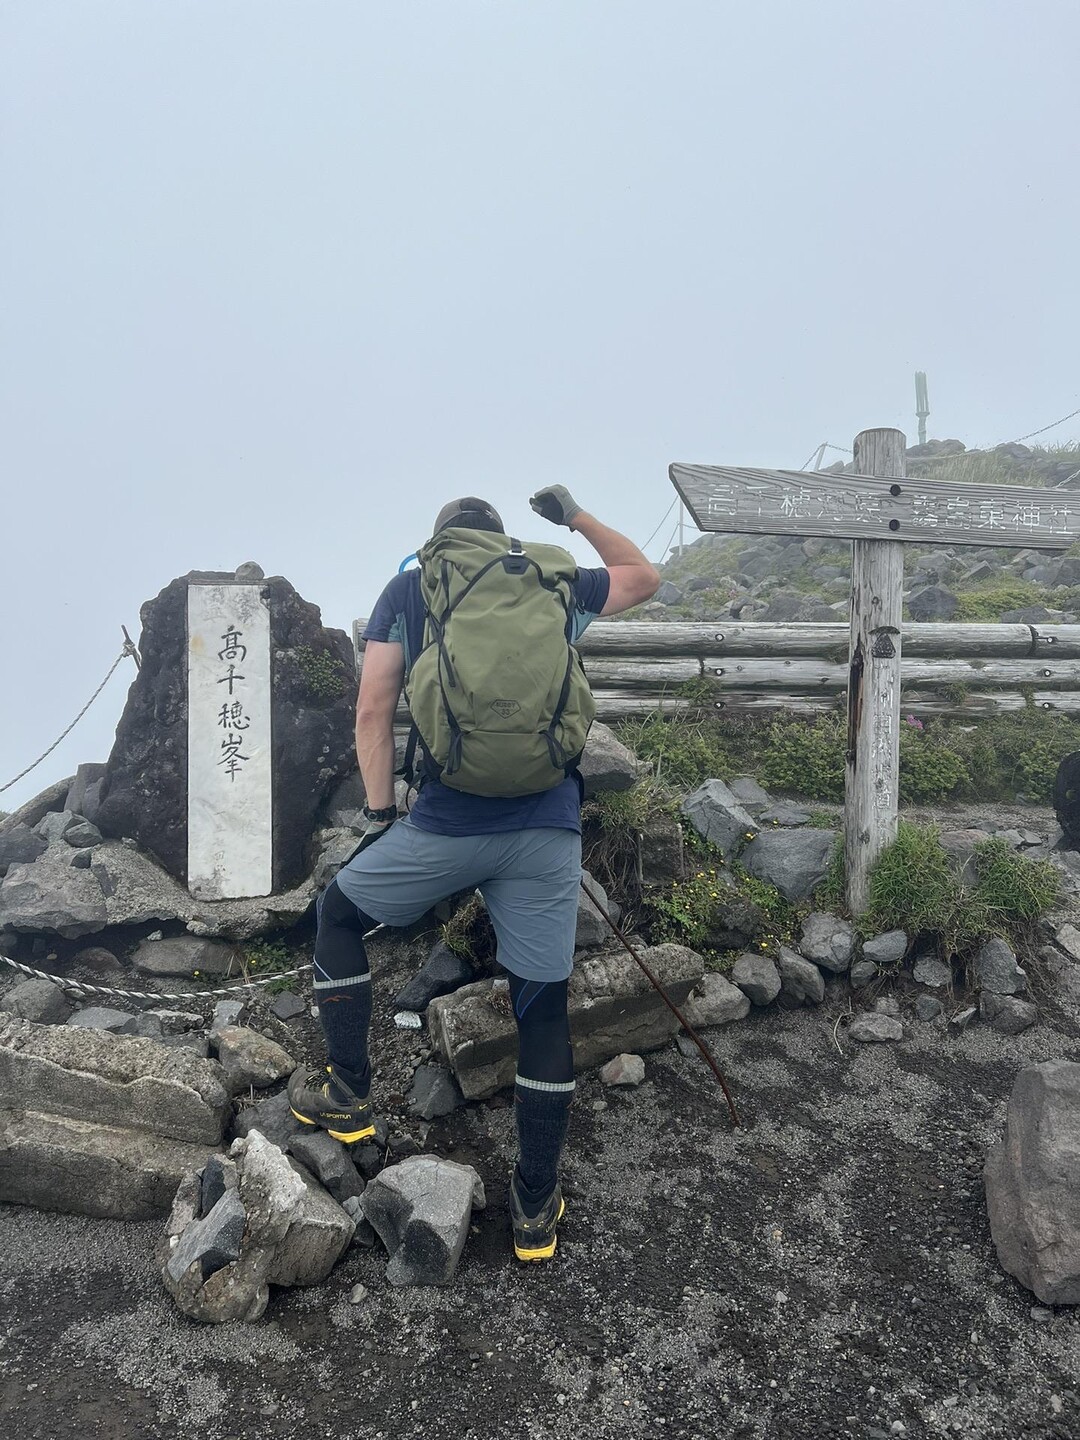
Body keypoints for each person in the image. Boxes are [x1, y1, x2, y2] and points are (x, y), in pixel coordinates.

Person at [288, 487, 659, 1260]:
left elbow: (373, 711)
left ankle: (350, 1094)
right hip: (544, 832)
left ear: (440, 542)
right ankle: (533, 1210)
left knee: (340, 917)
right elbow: (641, 575)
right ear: (502, 540)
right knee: (543, 1012)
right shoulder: (551, 582)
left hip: (445, 826)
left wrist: (383, 819)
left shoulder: (414, 586)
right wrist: (576, 518)